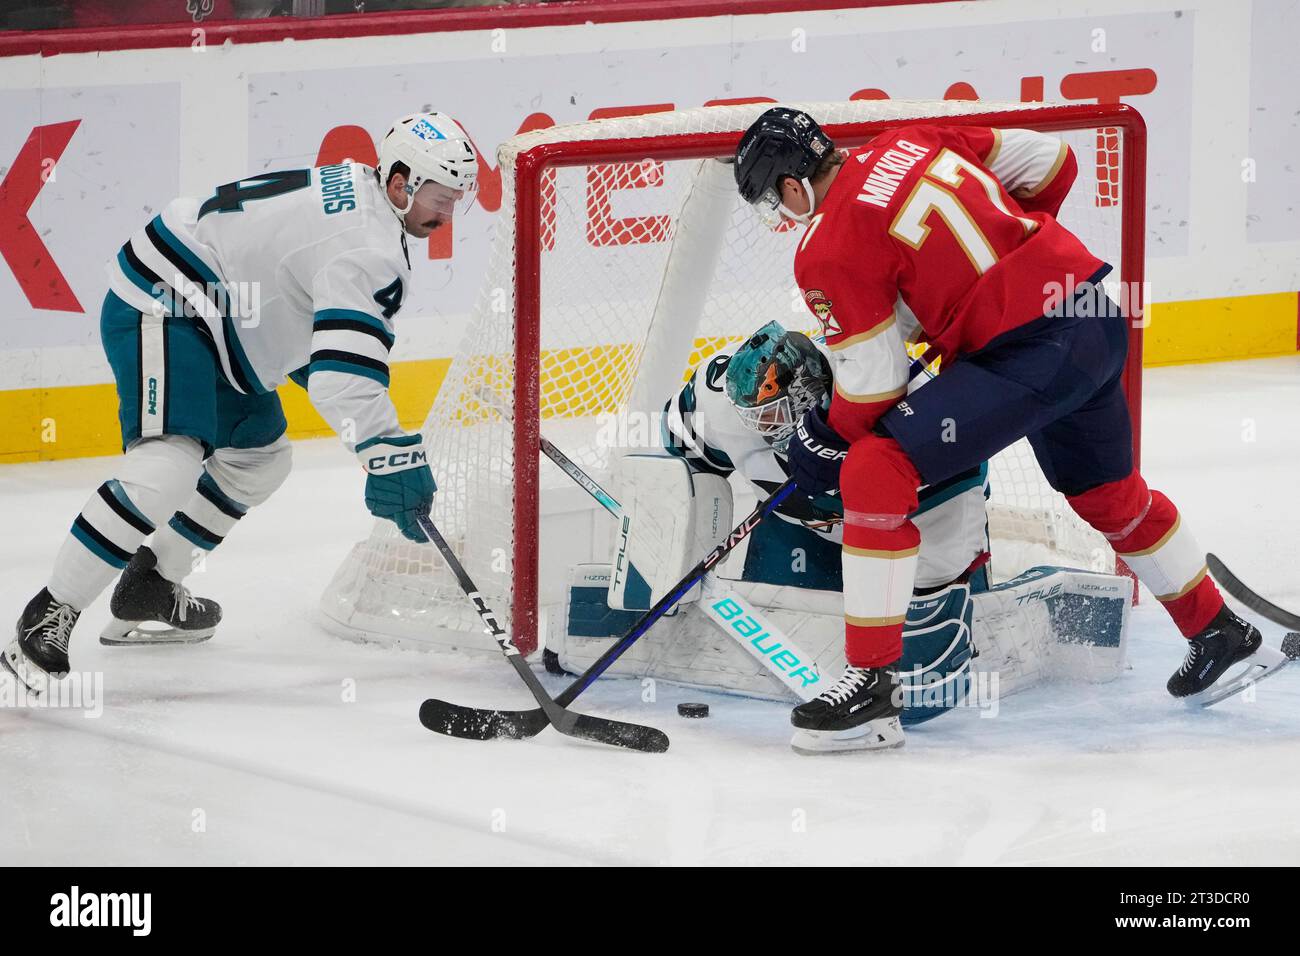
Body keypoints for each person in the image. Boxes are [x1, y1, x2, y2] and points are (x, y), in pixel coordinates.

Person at [733, 107, 1283, 754]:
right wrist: (1000, 258)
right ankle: (1220, 633)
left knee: (873, 468)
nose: (783, 214)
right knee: (1110, 496)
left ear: (794, 187)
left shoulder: (826, 244)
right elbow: (1053, 163)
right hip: (1091, 315)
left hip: (1031, 354)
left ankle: (871, 694)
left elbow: (876, 382)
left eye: (777, 200)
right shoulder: (909, 140)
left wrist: (824, 438)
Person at [4, 113, 478, 694]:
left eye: (457, 201)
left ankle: (151, 585)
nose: (448, 214)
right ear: (401, 182)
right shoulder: (372, 249)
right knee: (168, 466)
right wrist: (388, 456)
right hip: (166, 300)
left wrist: (344, 389)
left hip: (216, 320)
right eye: (440, 198)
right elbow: (340, 380)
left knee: (260, 457)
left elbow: (293, 284)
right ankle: (48, 616)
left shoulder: (357, 186)